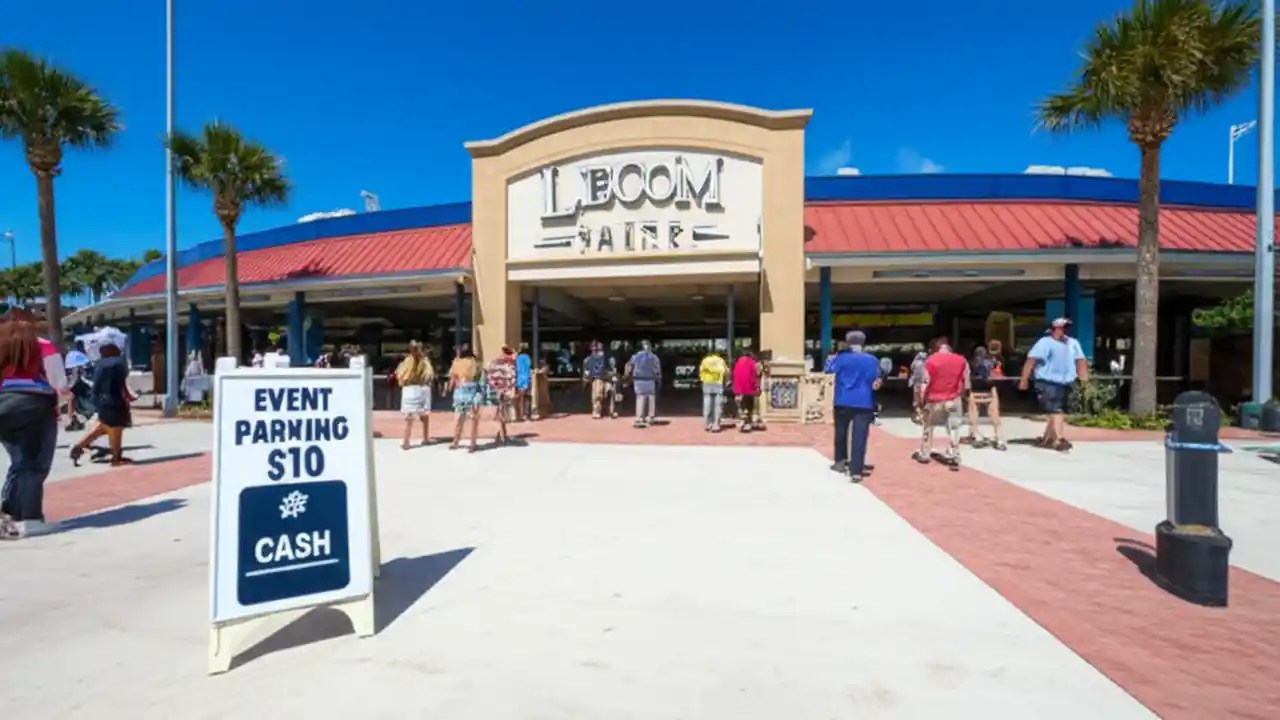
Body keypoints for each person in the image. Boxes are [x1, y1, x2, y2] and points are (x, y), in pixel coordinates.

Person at [0, 321, 60, 539]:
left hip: (3, 403)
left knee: (20, 462)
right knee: (35, 464)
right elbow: (59, 381)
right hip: (35, 404)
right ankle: (30, 519)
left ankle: (10, 514)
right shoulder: (43, 345)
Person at [1019, 318, 1088, 452]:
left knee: (1056, 411)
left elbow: (1081, 361)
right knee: (1055, 410)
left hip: (1066, 382)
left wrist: (1083, 379)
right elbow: (1031, 361)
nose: (1065, 331)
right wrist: (1024, 380)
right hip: (1047, 381)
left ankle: (1046, 439)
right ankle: (1059, 439)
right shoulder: (1044, 343)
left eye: (1067, 328)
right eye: (1063, 327)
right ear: (1055, 329)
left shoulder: (1073, 343)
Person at [829, 330, 882, 481]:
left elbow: (828, 369)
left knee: (841, 432)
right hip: (864, 401)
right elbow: (878, 377)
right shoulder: (872, 360)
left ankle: (840, 461)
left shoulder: (840, 358)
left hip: (842, 399)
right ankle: (856, 470)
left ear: (847, 341)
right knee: (860, 436)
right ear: (863, 343)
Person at [70, 342, 133, 467]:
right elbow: (122, 381)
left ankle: (78, 447)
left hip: (99, 399)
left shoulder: (99, 364)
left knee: (102, 426)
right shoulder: (119, 363)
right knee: (115, 427)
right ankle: (116, 458)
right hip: (114, 399)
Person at [914, 338, 969, 468]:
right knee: (954, 426)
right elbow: (966, 382)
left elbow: (925, 382)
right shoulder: (962, 360)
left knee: (928, 425)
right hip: (953, 402)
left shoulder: (931, 361)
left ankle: (925, 453)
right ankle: (953, 453)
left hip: (934, 401)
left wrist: (920, 401)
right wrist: (965, 398)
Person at [394, 340, 435, 450]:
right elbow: (429, 375)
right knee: (423, 415)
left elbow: (400, 375)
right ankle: (423, 438)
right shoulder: (423, 361)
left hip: (410, 389)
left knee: (412, 417)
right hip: (419, 388)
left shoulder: (407, 361)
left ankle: (407, 441)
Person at [965, 345, 1006, 450]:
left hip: (975, 390)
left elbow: (966, 377)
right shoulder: (994, 362)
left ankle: (975, 435)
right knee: (994, 414)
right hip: (990, 390)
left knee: (974, 413)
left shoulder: (970, 363)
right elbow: (998, 375)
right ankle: (999, 438)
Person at [448, 345, 483, 452]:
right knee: (473, 419)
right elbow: (479, 377)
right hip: (472, 390)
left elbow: (453, 378)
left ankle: (455, 441)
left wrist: (450, 388)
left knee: (459, 418)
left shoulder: (456, 362)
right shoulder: (476, 363)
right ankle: (472, 444)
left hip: (460, 391)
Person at [625, 340, 661, 428]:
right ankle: (650, 417)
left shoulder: (635, 356)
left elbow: (629, 367)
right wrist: (658, 379)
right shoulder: (654, 357)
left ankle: (640, 418)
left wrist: (627, 377)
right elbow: (657, 370)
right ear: (650, 347)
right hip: (650, 379)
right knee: (651, 398)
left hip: (638, 379)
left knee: (640, 398)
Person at [487, 345, 517, 445]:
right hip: (503, 392)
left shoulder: (495, 363)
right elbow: (511, 379)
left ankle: (501, 435)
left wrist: (495, 388)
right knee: (501, 413)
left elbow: (490, 377)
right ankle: (502, 435)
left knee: (501, 413)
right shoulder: (508, 365)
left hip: (499, 391)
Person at [583, 341, 617, 419]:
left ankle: (611, 411)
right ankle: (596, 412)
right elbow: (587, 370)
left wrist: (614, 376)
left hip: (608, 378)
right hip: (597, 378)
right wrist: (587, 378)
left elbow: (613, 368)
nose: (595, 349)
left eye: (597, 347)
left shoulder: (608, 357)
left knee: (610, 393)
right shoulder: (589, 358)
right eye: (594, 347)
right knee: (597, 395)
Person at [697, 349, 728, 432]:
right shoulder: (721, 361)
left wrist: (703, 378)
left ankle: (707, 423)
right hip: (718, 383)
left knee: (707, 403)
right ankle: (716, 424)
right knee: (718, 404)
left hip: (707, 382)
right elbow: (725, 371)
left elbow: (700, 371)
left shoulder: (705, 360)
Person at [732, 350, 761, 432]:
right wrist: (757, 386)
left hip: (738, 388)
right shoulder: (752, 363)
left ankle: (742, 419)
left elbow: (735, 374)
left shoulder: (738, 362)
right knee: (749, 405)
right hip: (748, 388)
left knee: (741, 405)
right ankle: (747, 422)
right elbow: (754, 376)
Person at [907, 350, 929, 424]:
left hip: (917, 385)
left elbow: (913, 373)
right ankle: (924, 417)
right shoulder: (928, 363)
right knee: (925, 402)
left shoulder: (915, 363)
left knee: (917, 402)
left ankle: (919, 416)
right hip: (926, 385)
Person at [514, 343, 532, 422]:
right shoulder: (528, 357)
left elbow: (516, 368)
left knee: (520, 398)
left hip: (519, 379)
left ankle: (520, 415)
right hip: (527, 378)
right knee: (527, 397)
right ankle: (527, 415)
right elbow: (529, 366)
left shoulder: (517, 358)